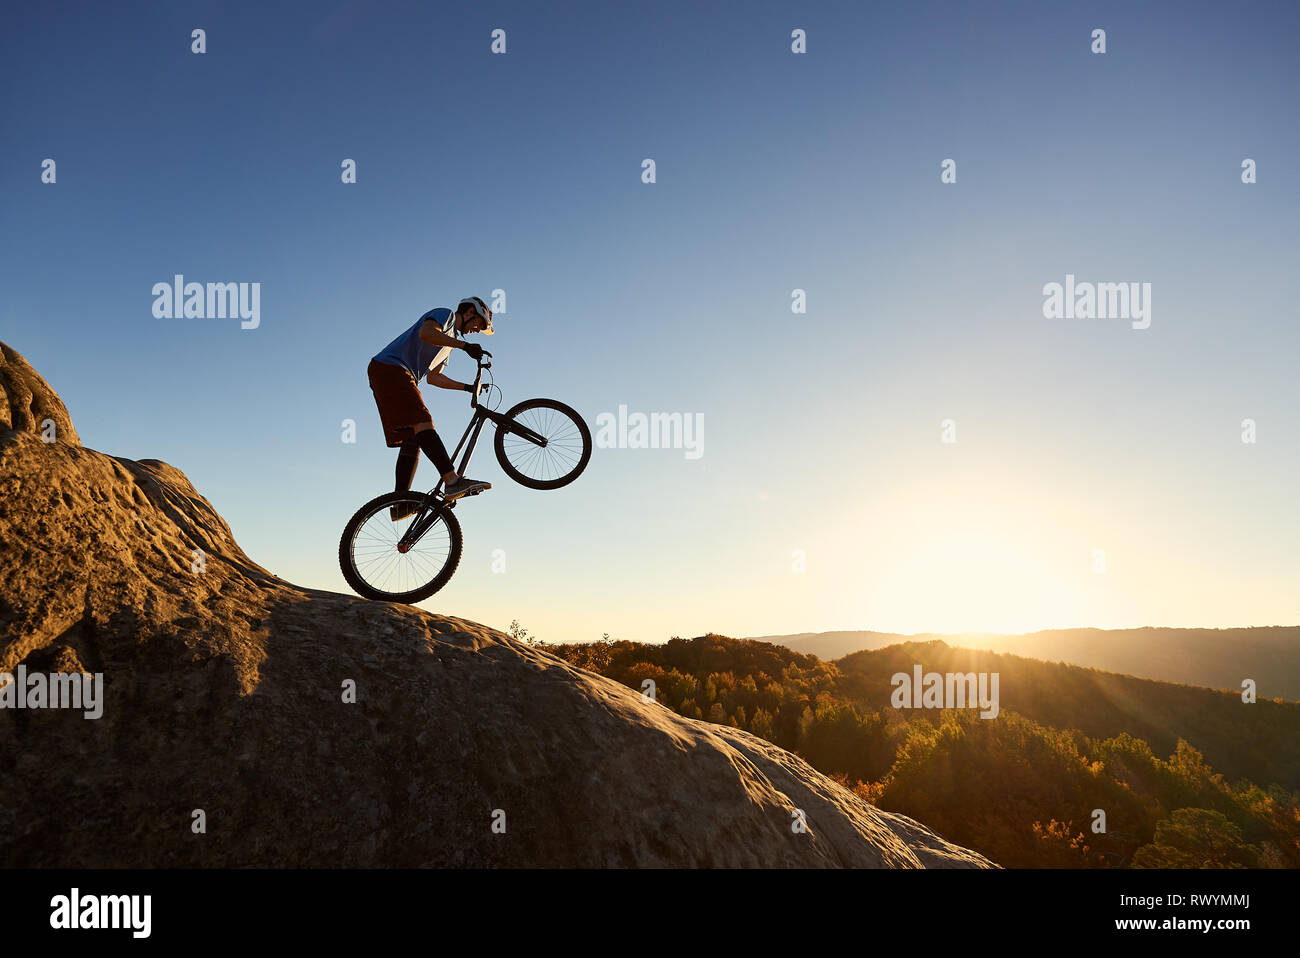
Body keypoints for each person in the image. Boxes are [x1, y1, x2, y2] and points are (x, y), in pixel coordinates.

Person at [367, 296, 494, 518]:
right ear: (469, 312)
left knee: (413, 438)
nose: (477, 330)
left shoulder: (449, 343)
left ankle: (401, 504)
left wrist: (467, 387)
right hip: (392, 368)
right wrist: (464, 346)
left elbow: (434, 378)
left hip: (393, 373)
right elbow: (426, 333)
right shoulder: (446, 316)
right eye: (479, 324)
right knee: (423, 422)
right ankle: (452, 481)